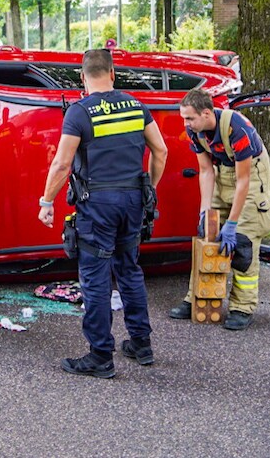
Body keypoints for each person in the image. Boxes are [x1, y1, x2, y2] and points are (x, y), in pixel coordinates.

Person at [38, 49, 168, 379]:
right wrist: (149, 189)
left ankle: (100, 355)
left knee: (95, 276)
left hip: (98, 204)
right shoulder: (136, 106)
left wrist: (47, 201)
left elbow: (63, 163)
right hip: (132, 201)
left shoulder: (80, 113)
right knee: (129, 268)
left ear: (83, 78)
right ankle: (141, 343)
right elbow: (161, 150)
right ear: (113, 73)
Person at [169, 89, 270, 331]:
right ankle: (196, 297)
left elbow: (244, 181)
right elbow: (205, 171)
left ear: (206, 113)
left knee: (243, 245)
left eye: (190, 118)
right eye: (184, 118)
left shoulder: (238, 129)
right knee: (208, 239)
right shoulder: (196, 132)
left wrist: (233, 224)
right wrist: (206, 211)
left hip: (250, 179)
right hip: (222, 175)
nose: (186, 124)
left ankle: (242, 307)